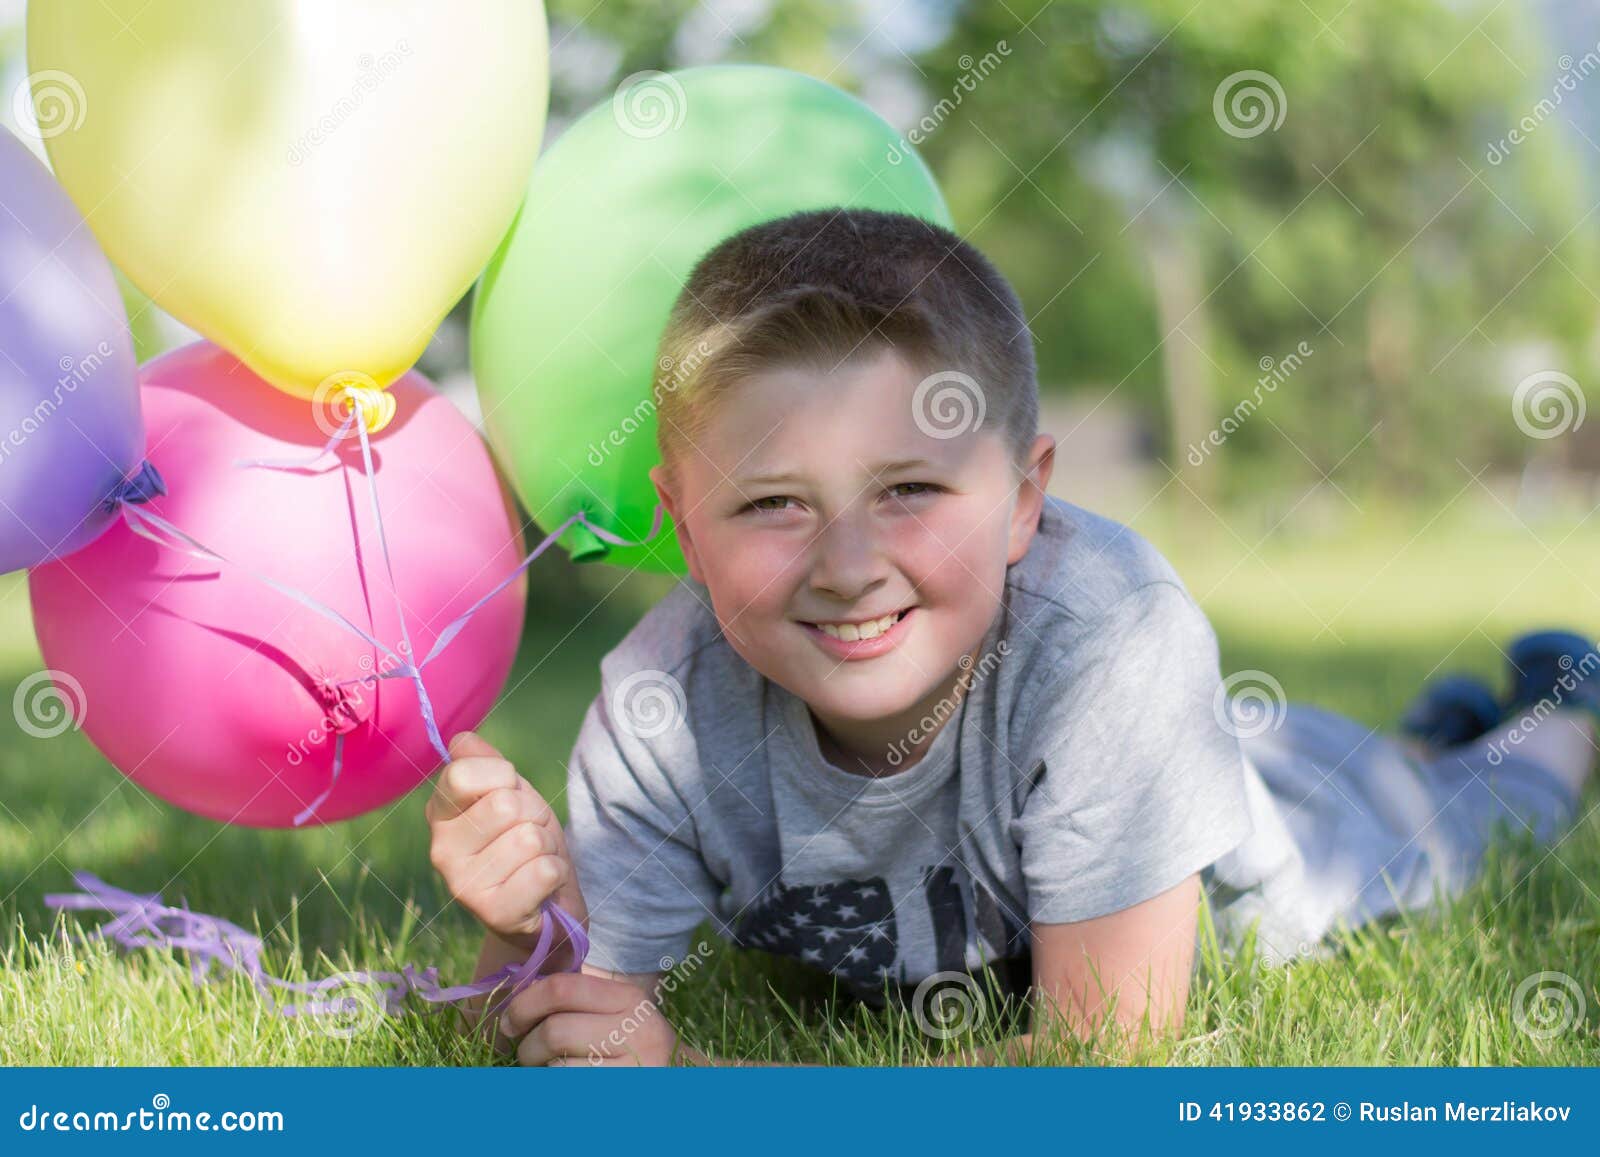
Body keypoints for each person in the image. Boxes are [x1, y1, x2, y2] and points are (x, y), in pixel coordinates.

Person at [425, 208, 1597, 1066]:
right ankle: (1447, 724)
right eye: (772, 502)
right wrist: (519, 930)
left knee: (1475, 806)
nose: (845, 563)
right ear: (680, 524)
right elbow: (574, 1030)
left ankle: (1563, 698)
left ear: (1026, 499)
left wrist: (700, 1082)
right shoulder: (657, 709)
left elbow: (1094, 1060)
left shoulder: (1109, 642)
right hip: (1173, 760)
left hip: (1272, 836)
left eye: (910, 491)